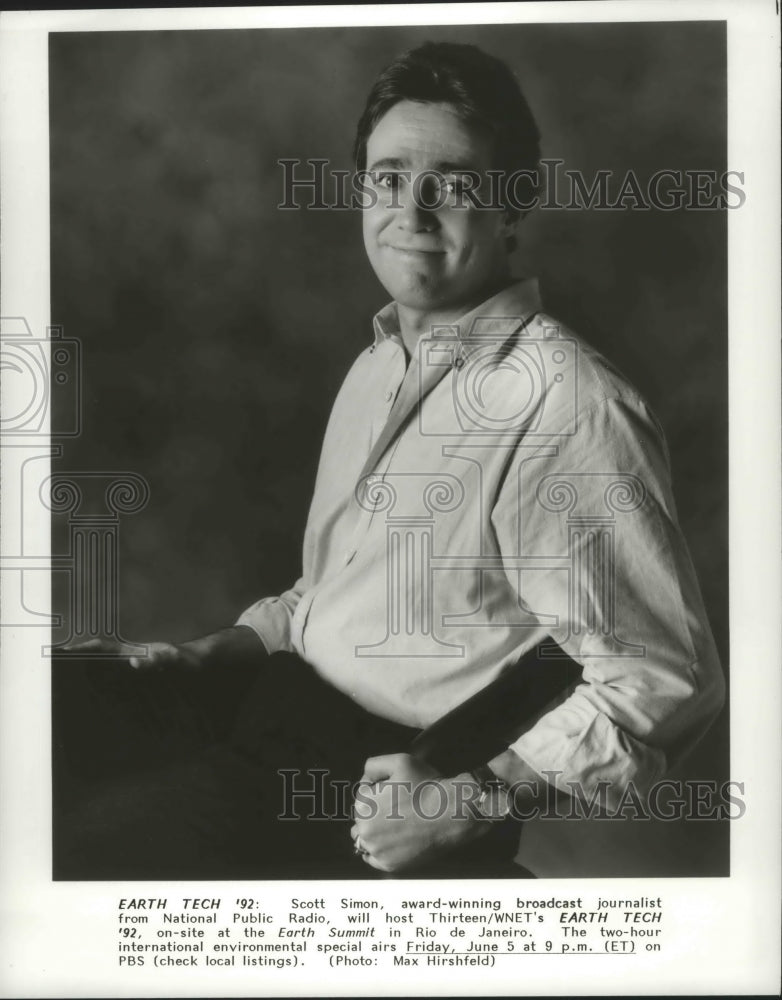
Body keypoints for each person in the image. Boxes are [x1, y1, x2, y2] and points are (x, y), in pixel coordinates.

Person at [56, 41, 725, 879]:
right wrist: (208, 654)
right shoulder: (378, 363)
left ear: (515, 206)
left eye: (453, 183)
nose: (412, 211)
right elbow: (324, 598)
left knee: (75, 861)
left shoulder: (565, 400)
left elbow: (665, 675)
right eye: (389, 178)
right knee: (45, 715)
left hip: (370, 777)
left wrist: (480, 795)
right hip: (268, 705)